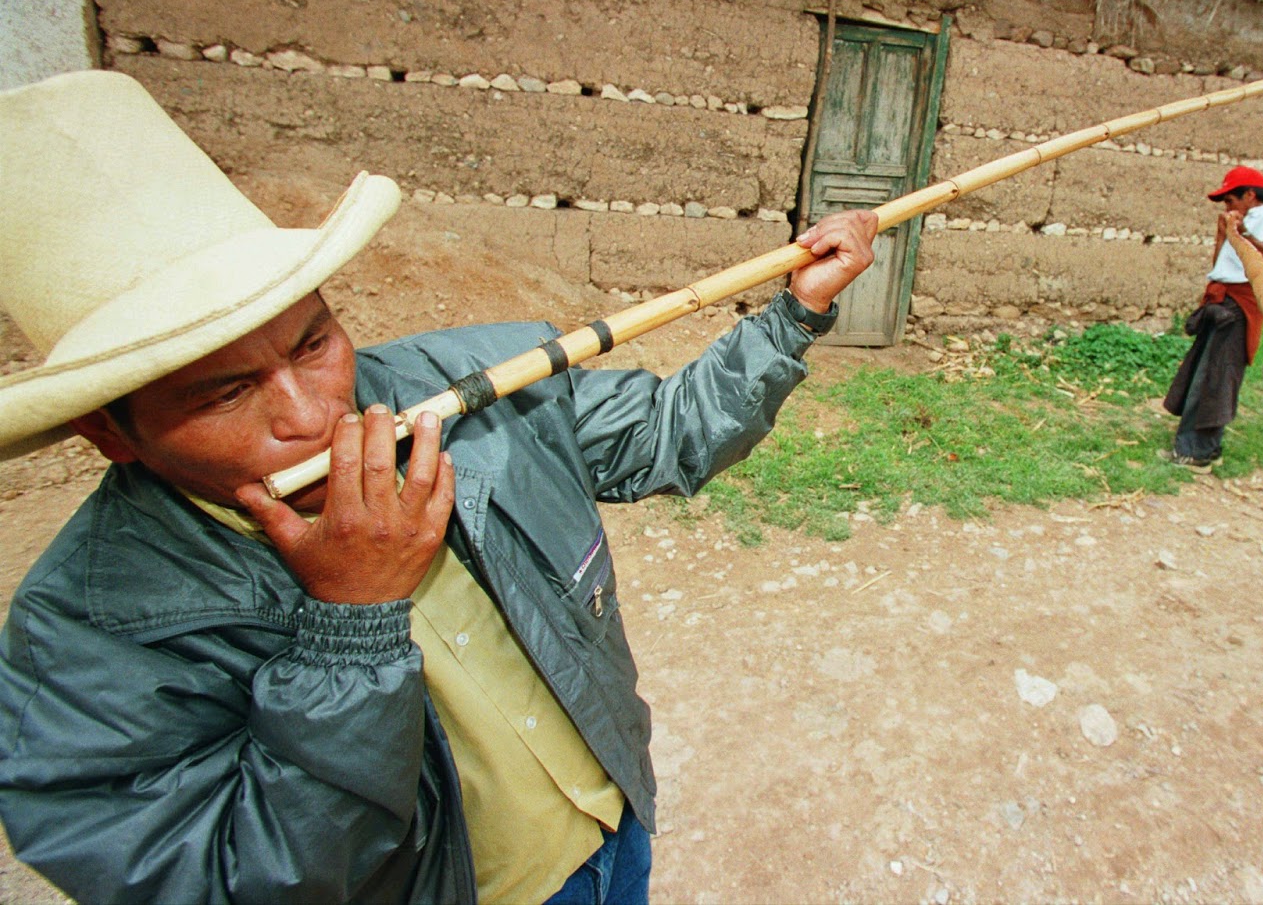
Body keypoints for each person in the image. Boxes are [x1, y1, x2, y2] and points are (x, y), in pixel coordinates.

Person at [0, 70, 878, 903]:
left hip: (612, 829)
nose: (312, 414)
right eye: (225, 392)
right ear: (109, 432)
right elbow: (236, 881)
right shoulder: (83, 640)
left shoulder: (470, 383)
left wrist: (796, 312)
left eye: (312, 344)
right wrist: (350, 627)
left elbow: (664, 434)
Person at [1162, 165, 1263, 471]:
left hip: (1240, 306)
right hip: (1223, 300)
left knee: (1217, 377)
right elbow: (1220, 263)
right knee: (1203, 374)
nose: (1228, 208)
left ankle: (1199, 452)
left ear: (1250, 195)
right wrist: (1223, 232)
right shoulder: (1242, 218)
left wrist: (1240, 230)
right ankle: (1197, 446)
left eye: (1231, 200)